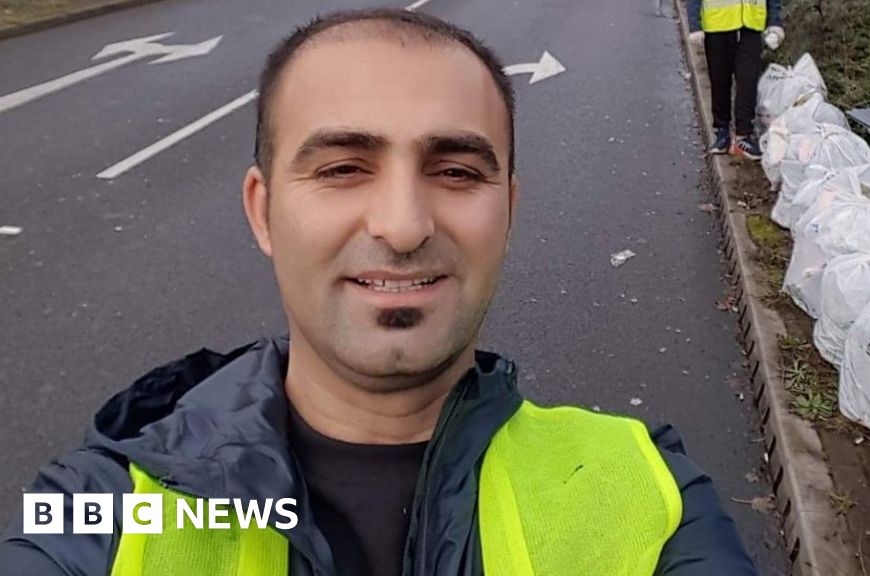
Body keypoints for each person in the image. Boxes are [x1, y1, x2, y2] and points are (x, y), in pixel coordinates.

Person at [1, 9, 759, 575]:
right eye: (341, 168)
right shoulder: (95, 509)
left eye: (457, 172)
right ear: (263, 212)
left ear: (508, 212)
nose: (402, 226)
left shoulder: (649, 495)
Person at [687, 0, 785, 160]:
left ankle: (744, 134)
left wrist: (774, 22)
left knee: (748, 81)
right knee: (719, 79)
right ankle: (722, 131)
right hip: (717, 23)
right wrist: (694, 24)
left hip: (750, 24)